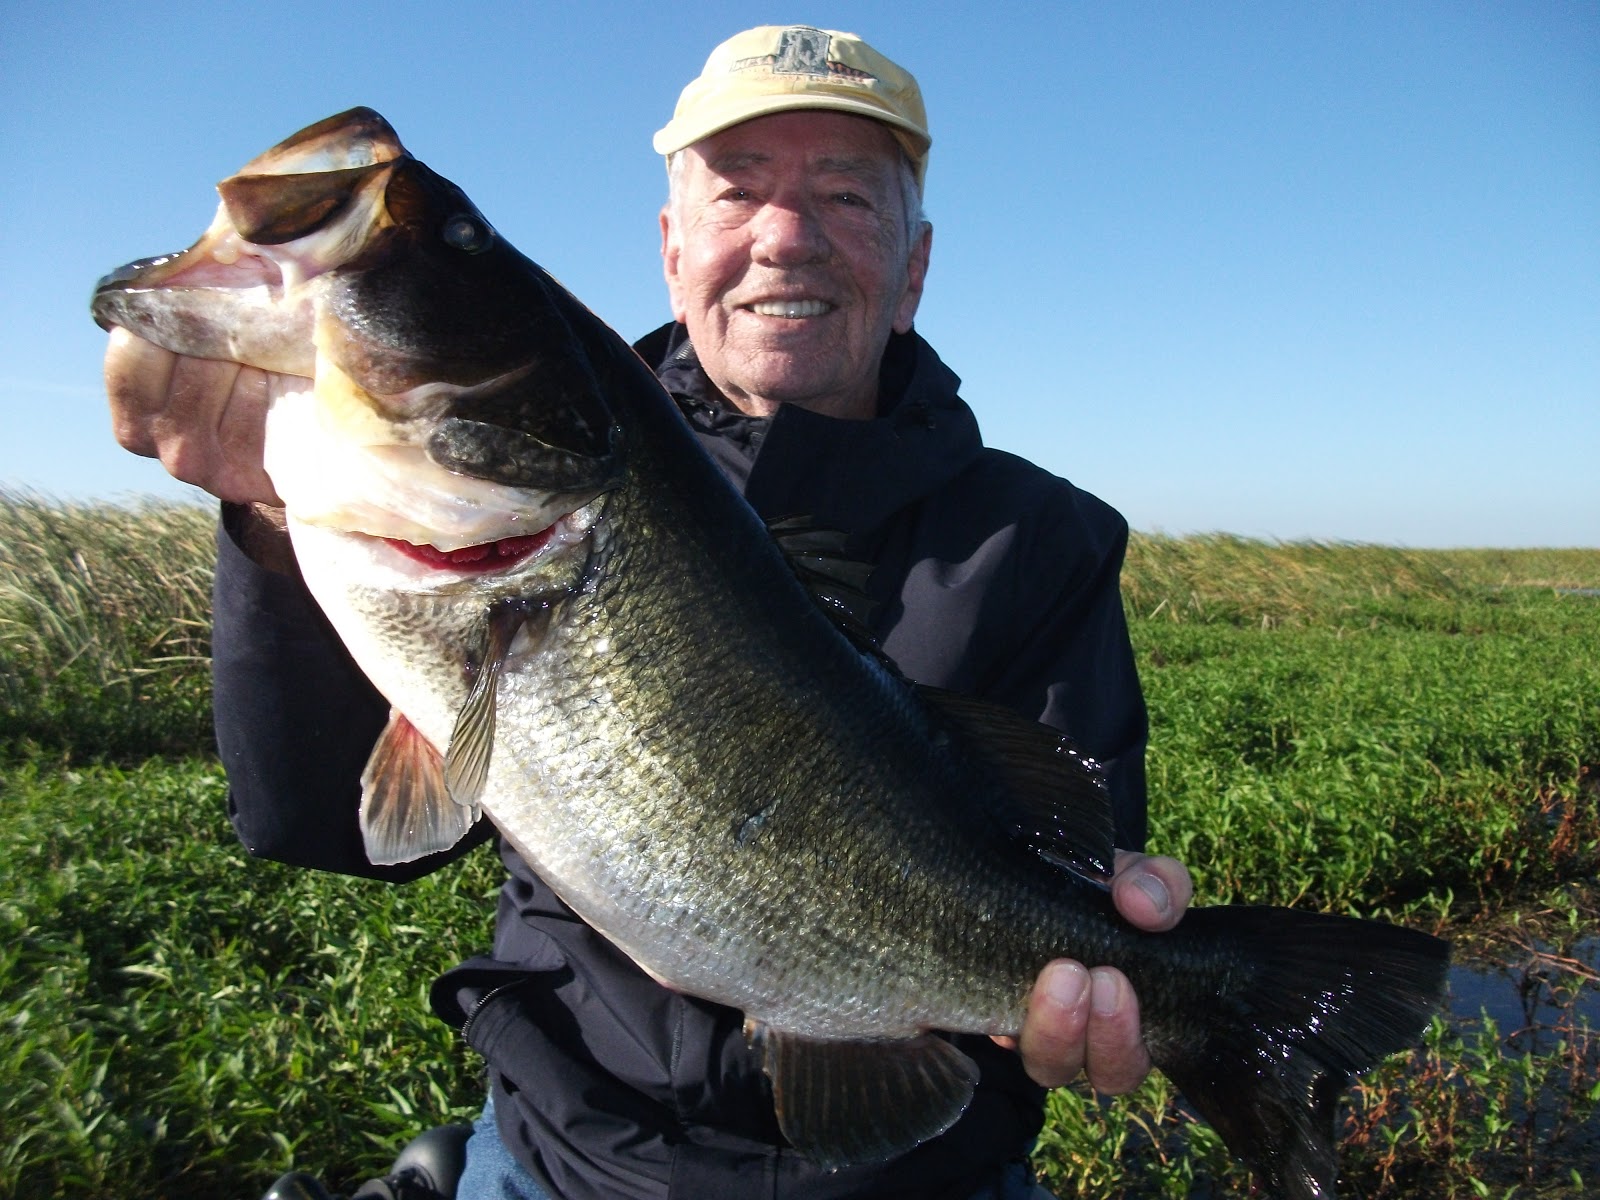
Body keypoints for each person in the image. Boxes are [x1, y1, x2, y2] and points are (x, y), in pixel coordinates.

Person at [103, 25, 1193, 1200]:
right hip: (563, 1157)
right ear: (674, 251)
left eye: (845, 197)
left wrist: (1116, 965)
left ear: (913, 264)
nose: (786, 236)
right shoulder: (520, 488)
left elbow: (1072, 859)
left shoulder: (1046, 540)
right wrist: (265, 518)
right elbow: (325, 829)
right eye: (738, 195)